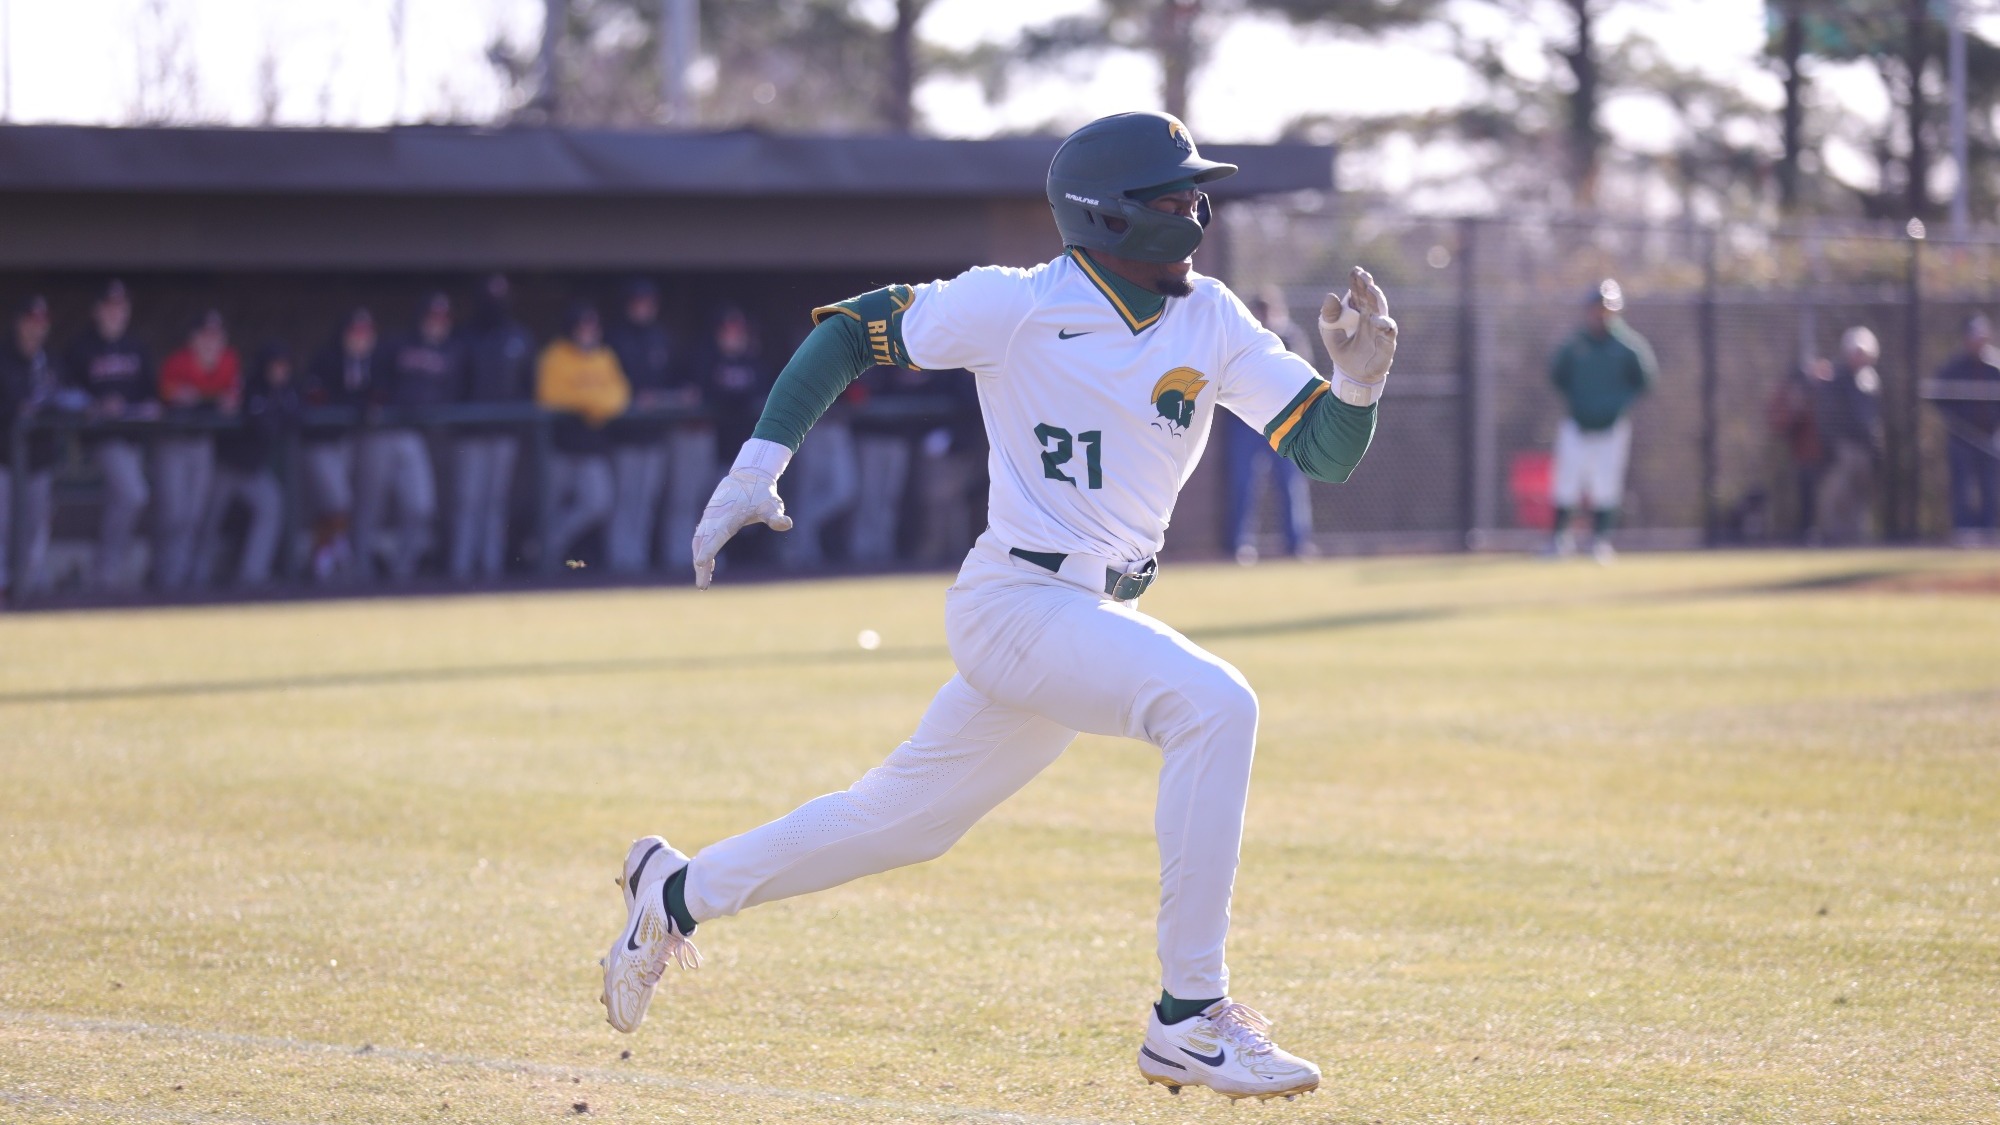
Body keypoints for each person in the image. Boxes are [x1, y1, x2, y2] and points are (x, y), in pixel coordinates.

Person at [600, 112, 1397, 1104]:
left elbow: (1319, 448)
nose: (1194, 208)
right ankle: (1188, 1021)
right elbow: (849, 331)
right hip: (1017, 599)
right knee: (1214, 703)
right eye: (1171, 194)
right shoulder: (1016, 302)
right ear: (1107, 214)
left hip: (1083, 619)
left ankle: (672, 892)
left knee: (896, 822)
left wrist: (1356, 384)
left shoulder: (1214, 318)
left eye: (1196, 191)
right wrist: (758, 461)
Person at [1546, 280, 1656, 563]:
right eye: (1596, 309)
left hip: (1612, 426)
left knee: (1605, 485)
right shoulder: (1576, 344)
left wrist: (1616, 404)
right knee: (1566, 482)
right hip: (1577, 424)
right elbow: (1557, 375)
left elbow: (1645, 379)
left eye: (1606, 310)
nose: (1600, 315)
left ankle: (1600, 541)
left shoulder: (1628, 345)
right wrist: (1579, 402)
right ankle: (1559, 540)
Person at [357, 292, 463, 582]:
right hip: (380, 433)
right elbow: (372, 380)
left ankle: (400, 570)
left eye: (443, 319)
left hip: (413, 436)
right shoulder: (396, 344)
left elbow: (452, 393)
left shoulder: (451, 352)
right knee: (370, 507)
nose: (437, 324)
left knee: (421, 506)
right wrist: (374, 400)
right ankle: (360, 574)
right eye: (433, 318)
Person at [63, 279, 156, 592]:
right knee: (133, 495)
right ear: (97, 310)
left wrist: (142, 407)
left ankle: (104, 572)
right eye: (110, 306)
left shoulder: (136, 347)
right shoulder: (81, 347)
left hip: (132, 438)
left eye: (121, 306)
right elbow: (64, 392)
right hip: (100, 439)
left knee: (124, 500)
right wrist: (95, 404)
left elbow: (152, 396)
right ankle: (105, 571)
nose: (116, 312)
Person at [452, 275, 534, 581]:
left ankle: (491, 569)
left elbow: (529, 387)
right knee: (468, 501)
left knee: (495, 503)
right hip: (470, 434)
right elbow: (456, 385)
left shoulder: (519, 337)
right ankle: (460, 570)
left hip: (505, 435)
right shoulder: (466, 336)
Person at [1227, 290, 1317, 564]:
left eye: (1267, 312)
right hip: (1245, 423)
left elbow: (1304, 376)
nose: (1263, 317)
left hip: (1284, 424)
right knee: (1243, 484)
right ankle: (1240, 546)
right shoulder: (1241, 338)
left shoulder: (1291, 338)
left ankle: (1297, 544)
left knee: (1290, 484)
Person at [154, 310, 241, 591]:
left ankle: (187, 582)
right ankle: (166, 580)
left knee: (194, 515)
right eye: (205, 336)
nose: (210, 343)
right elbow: (170, 396)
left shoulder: (229, 362)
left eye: (216, 337)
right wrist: (208, 399)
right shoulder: (177, 363)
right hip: (172, 443)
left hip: (202, 443)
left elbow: (232, 399)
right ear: (193, 339)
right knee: (174, 515)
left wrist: (209, 399)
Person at [536, 303, 629, 564]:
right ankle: (539, 561)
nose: (588, 332)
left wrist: (588, 402)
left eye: (592, 326)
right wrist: (593, 402)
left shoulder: (604, 356)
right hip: (559, 447)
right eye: (582, 327)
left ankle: (547, 547)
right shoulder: (555, 355)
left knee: (599, 503)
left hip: (590, 447)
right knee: (546, 508)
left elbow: (619, 396)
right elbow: (551, 395)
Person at [201, 343, 298, 587]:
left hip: (253, 471)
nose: (280, 371)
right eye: (276, 366)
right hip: (225, 466)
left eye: (284, 367)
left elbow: (296, 415)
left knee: (272, 505)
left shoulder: (285, 392)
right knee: (207, 522)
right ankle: (191, 578)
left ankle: (252, 576)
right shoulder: (247, 385)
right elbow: (261, 424)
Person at [302, 308, 382, 581]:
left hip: (345, 442)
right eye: (355, 334)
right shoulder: (326, 359)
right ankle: (324, 557)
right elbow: (316, 399)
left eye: (365, 334)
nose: (360, 340)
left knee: (340, 504)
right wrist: (354, 403)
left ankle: (327, 559)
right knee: (337, 500)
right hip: (319, 443)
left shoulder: (371, 363)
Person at [605, 279, 674, 574]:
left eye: (648, 303)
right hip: (624, 436)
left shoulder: (660, 338)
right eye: (638, 302)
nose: (643, 308)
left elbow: (672, 378)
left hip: (654, 433)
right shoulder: (615, 339)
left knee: (646, 501)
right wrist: (632, 399)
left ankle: (638, 561)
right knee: (624, 502)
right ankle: (620, 562)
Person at [0, 296, 64, 602]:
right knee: (2, 524)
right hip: (3, 458)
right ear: (19, 323)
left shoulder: (49, 362)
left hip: (38, 458)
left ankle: (28, 586)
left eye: (41, 323)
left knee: (35, 525)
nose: (35, 329)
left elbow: (62, 399)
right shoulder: (4, 358)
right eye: (30, 322)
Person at [1810, 326, 1884, 545]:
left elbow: (1874, 417)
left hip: (1865, 448)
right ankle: (1832, 537)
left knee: (1861, 497)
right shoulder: (1836, 378)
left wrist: (1876, 445)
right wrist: (1833, 445)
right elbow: (1827, 415)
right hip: (1844, 447)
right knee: (1837, 494)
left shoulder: (1871, 379)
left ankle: (1857, 538)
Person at [1932, 313, 2000, 544]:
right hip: (1962, 439)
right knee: (1962, 488)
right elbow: (1937, 396)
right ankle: (1963, 533)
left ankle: (1990, 532)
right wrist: (1956, 421)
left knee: (1991, 487)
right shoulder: (1954, 367)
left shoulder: (1995, 367)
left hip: (1990, 438)